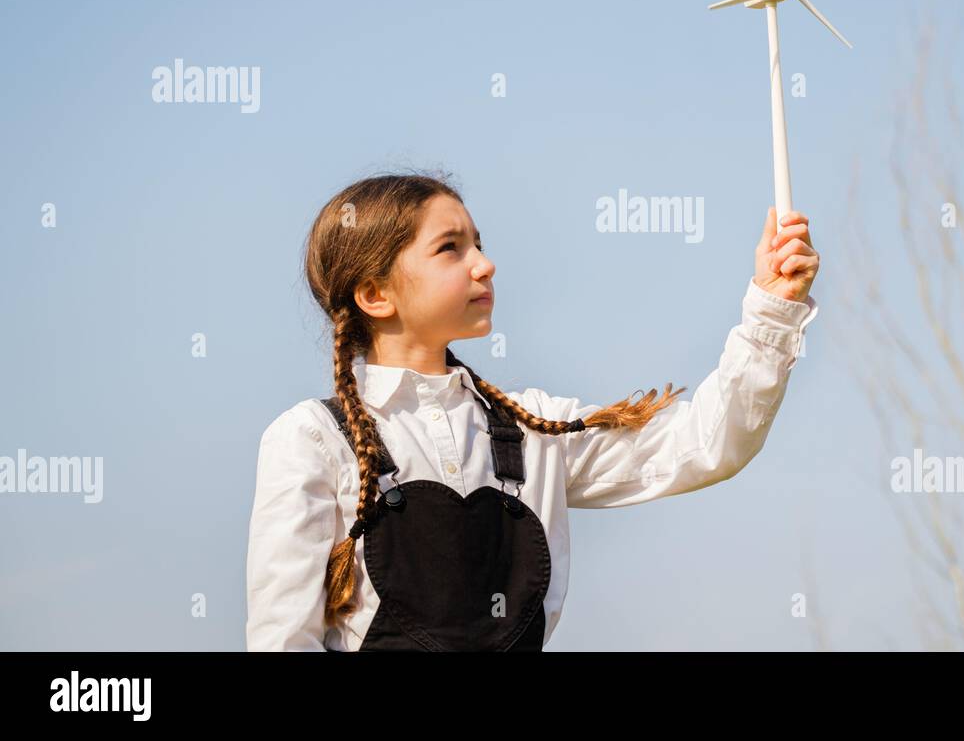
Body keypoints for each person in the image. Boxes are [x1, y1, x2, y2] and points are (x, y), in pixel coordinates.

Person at [245, 171, 820, 650]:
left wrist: (772, 307)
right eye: (451, 248)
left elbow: (703, 445)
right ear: (376, 294)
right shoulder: (312, 439)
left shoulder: (533, 427)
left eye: (480, 244)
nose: (484, 264)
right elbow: (282, 638)